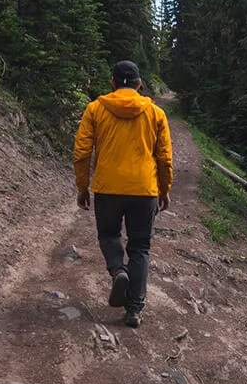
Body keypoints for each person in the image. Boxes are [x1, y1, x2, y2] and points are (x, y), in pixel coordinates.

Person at [73, 60, 173, 328]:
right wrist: (164, 189)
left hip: (108, 188)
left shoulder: (95, 109)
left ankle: (118, 271)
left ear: (113, 83)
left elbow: (82, 152)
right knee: (140, 246)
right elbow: (164, 158)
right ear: (139, 84)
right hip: (144, 190)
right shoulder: (155, 114)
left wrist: (83, 186)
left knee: (108, 234)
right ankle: (134, 310)